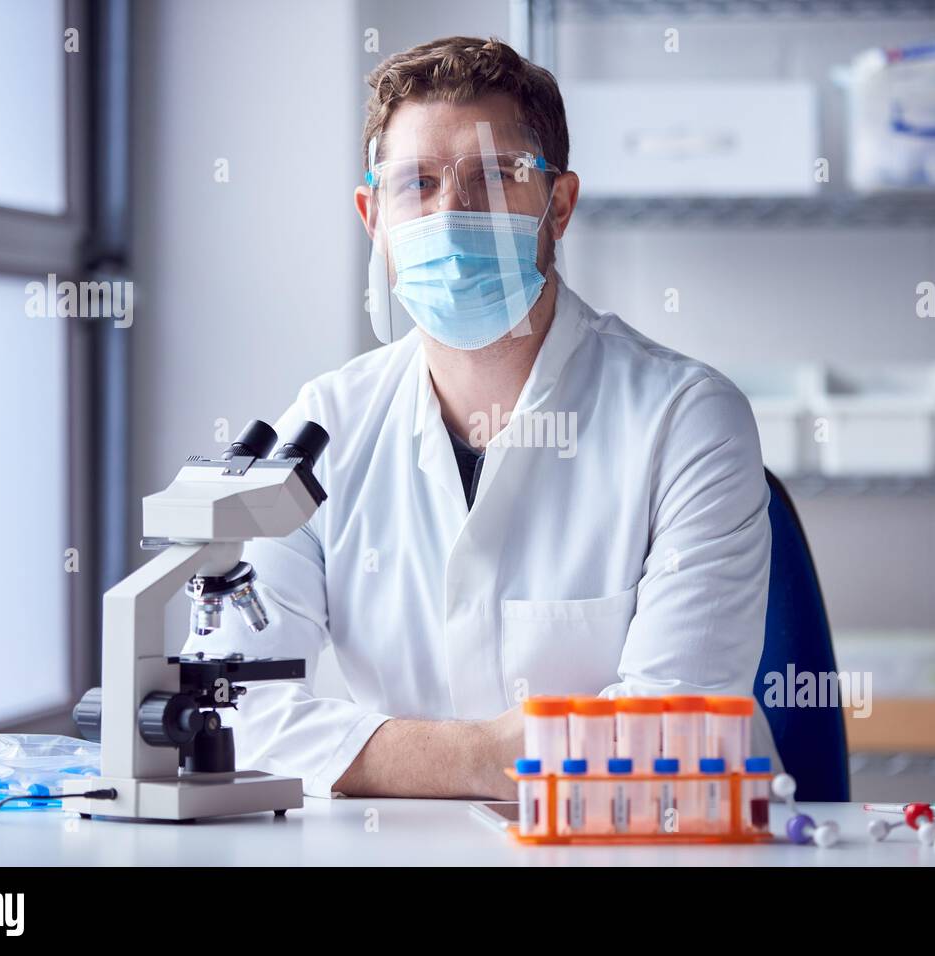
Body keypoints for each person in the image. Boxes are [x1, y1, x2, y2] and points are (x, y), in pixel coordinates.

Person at [183, 36, 774, 800]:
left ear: (558, 206)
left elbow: (673, 732)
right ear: (374, 218)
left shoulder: (687, 420)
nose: (450, 213)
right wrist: (486, 755)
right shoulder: (327, 423)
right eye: (415, 184)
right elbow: (230, 708)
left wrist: (386, 756)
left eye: (494, 177)